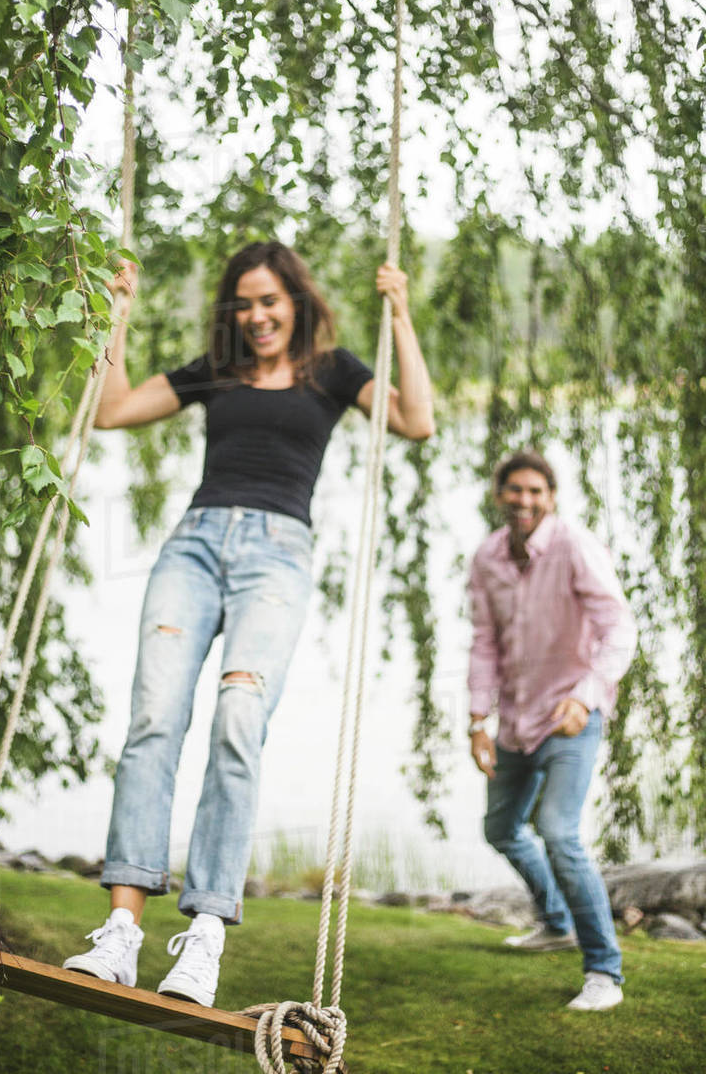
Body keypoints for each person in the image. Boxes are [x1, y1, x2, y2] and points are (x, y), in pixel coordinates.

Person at [64, 239, 434, 1005]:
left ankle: (204, 938)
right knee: (155, 720)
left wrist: (400, 314)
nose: (257, 314)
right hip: (193, 548)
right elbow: (112, 411)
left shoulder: (334, 372)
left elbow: (416, 421)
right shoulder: (217, 370)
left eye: (270, 299)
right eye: (244, 302)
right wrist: (117, 315)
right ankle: (123, 934)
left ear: (296, 301)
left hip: (277, 557)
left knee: (238, 716)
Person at [467, 450, 637, 1012]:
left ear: (552, 497)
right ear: (500, 495)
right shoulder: (487, 558)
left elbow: (620, 628)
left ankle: (603, 972)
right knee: (501, 827)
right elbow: (485, 642)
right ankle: (556, 921)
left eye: (536, 491)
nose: (525, 501)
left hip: (571, 718)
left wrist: (585, 697)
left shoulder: (575, 546)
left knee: (559, 832)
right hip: (515, 721)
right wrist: (477, 719)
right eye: (515, 490)